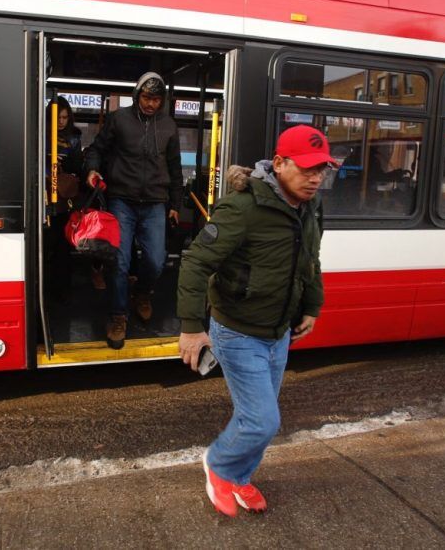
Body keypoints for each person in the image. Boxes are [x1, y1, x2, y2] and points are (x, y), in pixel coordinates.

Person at [176, 124, 335, 517]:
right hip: (237, 331)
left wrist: (312, 307)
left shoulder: (310, 207)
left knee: (256, 417)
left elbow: (310, 262)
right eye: (307, 168)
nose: (316, 177)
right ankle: (219, 464)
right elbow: (196, 262)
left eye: (323, 169)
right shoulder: (243, 207)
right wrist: (192, 328)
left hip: (278, 331)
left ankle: (239, 477)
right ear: (279, 164)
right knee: (263, 421)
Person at [85, 72, 182, 349]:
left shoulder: (169, 126)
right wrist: (91, 169)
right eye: (147, 97)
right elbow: (97, 149)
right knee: (119, 261)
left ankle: (142, 293)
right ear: (137, 95)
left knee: (156, 260)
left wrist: (175, 204)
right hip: (122, 200)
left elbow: (175, 169)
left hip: (155, 202)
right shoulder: (119, 120)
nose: (151, 104)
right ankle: (118, 316)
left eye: (156, 99)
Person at [45, 97, 84, 300]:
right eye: (58, 117)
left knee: (63, 244)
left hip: (64, 196)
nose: (62, 122)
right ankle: (45, 286)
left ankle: (62, 290)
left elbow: (79, 167)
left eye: (65, 118)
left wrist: (66, 163)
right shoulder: (40, 135)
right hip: (44, 195)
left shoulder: (74, 138)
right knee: (46, 244)